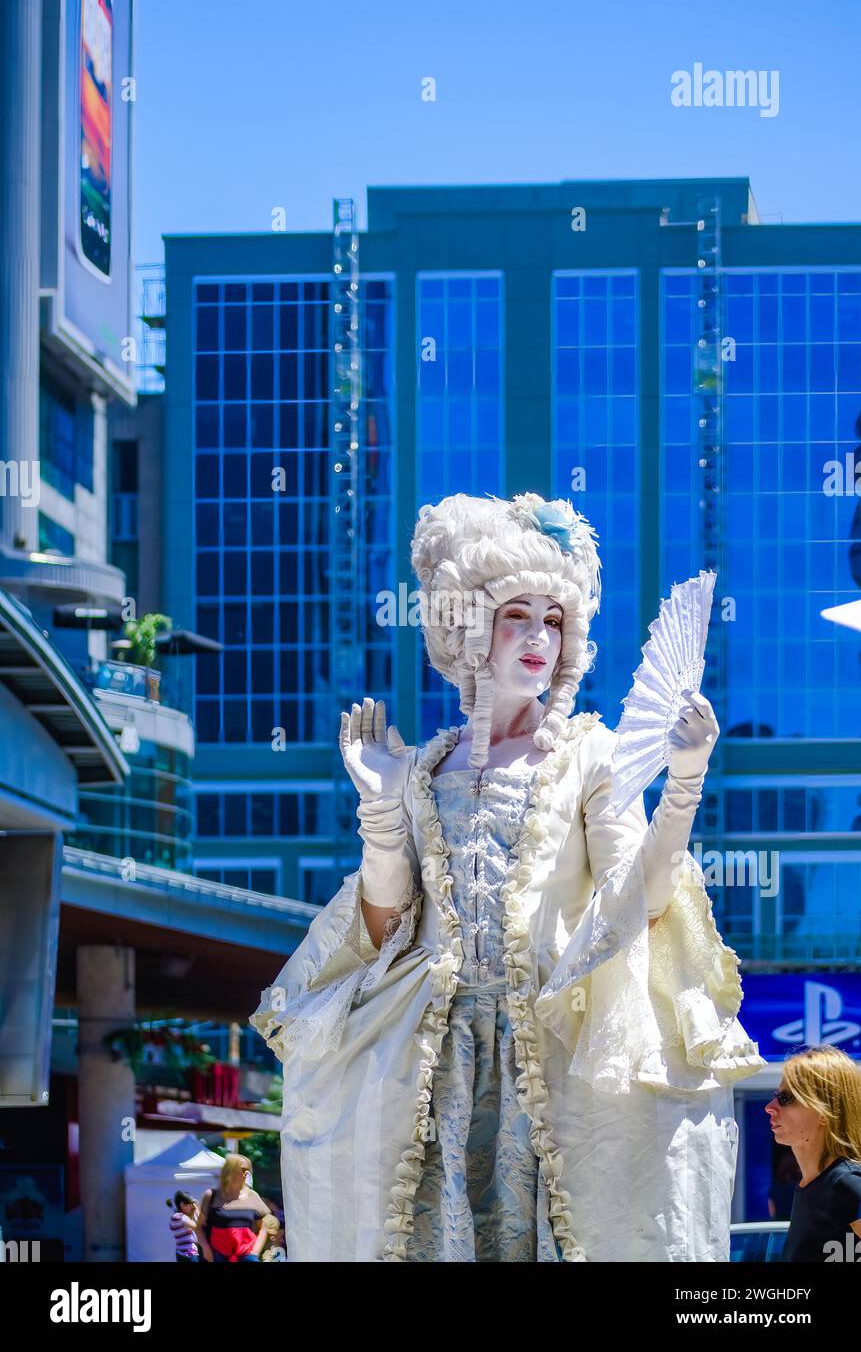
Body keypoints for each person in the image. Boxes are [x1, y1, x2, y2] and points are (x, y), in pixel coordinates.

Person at [251, 491, 767, 1262]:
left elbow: (644, 898)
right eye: (515, 615)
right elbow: (386, 921)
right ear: (468, 630)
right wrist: (381, 807)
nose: (537, 637)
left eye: (553, 620)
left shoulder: (587, 755)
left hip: (549, 1048)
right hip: (437, 1060)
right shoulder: (423, 766)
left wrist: (685, 780)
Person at [765, 1045, 861, 1262]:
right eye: (775, 1095)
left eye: (786, 1098)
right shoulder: (813, 1184)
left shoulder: (847, 1183)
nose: (770, 1107)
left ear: (824, 1112)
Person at [196, 1154, 273, 1263]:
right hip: (217, 1256)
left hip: (246, 1256)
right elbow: (199, 1227)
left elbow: (264, 1228)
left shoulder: (253, 1196)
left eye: (248, 1170)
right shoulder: (211, 1196)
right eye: (242, 1169)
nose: (245, 1173)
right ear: (229, 1170)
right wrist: (206, 1249)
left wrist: (254, 1253)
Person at [168, 1191, 200, 1262]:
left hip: (179, 1253)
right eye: (189, 1204)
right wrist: (197, 1211)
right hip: (190, 1253)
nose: (191, 1207)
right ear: (182, 1204)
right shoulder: (182, 1217)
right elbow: (197, 1227)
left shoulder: (175, 1217)